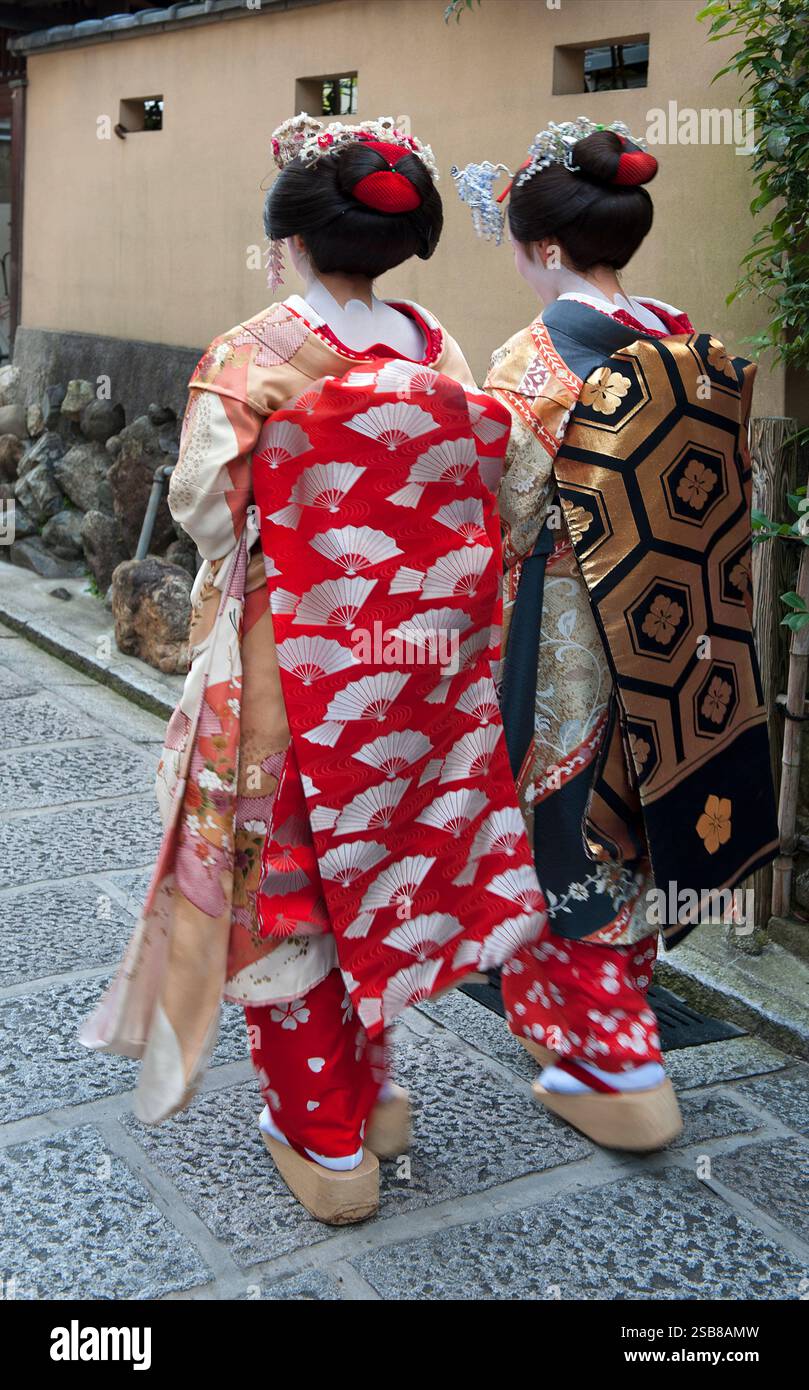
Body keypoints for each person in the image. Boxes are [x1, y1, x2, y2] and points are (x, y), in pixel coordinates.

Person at [81, 114, 546, 1225]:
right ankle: (377, 1096)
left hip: (284, 679)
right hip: (413, 683)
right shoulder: (438, 350)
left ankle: (328, 1139)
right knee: (378, 869)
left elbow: (205, 510)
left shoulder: (252, 354)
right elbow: (510, 493)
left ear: (287, 235)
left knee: (284, 896)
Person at [453, 118, 778, 1151]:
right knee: (643, 806)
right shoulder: (679, 337)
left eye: (512, 242)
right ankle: (613, 1022)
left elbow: (502, 508)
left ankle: (612, 1055)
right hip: (678, 627)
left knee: (560, 814)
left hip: (569, 627)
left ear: (544, 249)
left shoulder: (536, 354)